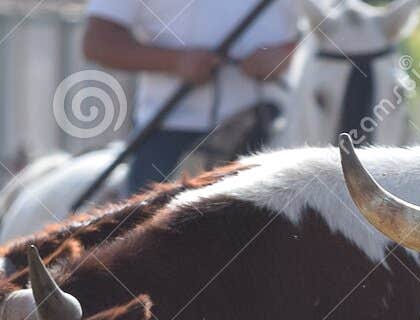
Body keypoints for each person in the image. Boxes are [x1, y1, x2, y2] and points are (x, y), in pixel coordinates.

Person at [81, 0, 301, 191]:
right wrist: (175, 62)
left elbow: (317, 31)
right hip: (170, 132)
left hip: (277, 127)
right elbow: (98, 42)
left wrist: (287, 56)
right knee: (146, 221)